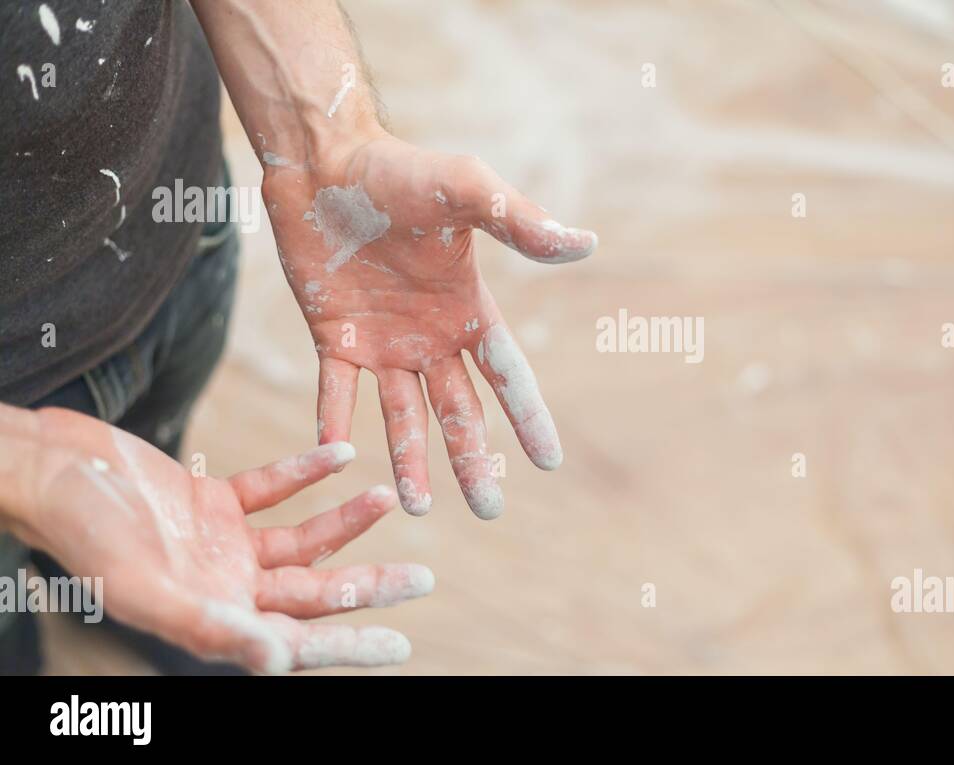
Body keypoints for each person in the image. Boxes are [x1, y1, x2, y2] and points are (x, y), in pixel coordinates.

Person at [0, 0, 597, 674]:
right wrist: (29, 469)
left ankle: (111, 590)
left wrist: (325, 137)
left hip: (176, 231)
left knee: (145, 492)